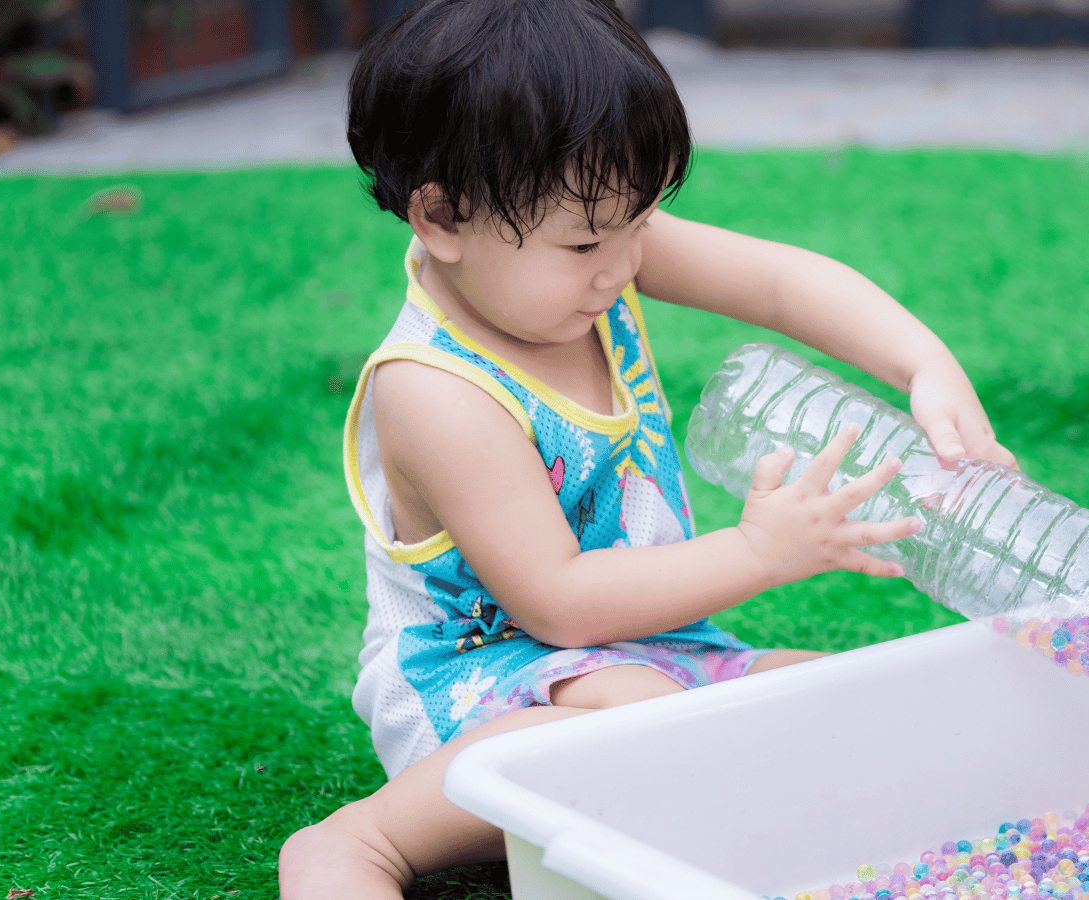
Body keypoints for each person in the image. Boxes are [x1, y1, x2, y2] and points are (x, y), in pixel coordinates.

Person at [278, 0, 1018, 895]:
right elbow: (558, 605)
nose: (626, 262)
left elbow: (782, 282)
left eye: (642, 220)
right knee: (640, 724)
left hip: (653, 648)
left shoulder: (592, 241)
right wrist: (759, 553)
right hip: (482, 690)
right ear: (441, 217)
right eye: (590, 238)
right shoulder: (436, 391)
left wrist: (920, 363)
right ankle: (360, 844)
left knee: (847, 700)